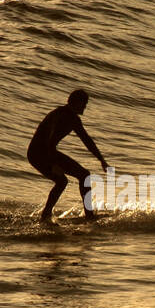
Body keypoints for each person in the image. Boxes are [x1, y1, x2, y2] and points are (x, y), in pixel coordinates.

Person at [27, 89, 109, 222]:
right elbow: (49, 140)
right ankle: (48, 215)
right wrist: (53, 164)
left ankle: (85, 214)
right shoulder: (61, 115)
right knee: (68, 179)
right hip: (39, 153)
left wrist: (101, 160)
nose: (85, 107)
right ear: (76, 102)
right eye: (84, 103)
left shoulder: (73, 118)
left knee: (78, 177)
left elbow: (87, 140)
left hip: (47, 151)